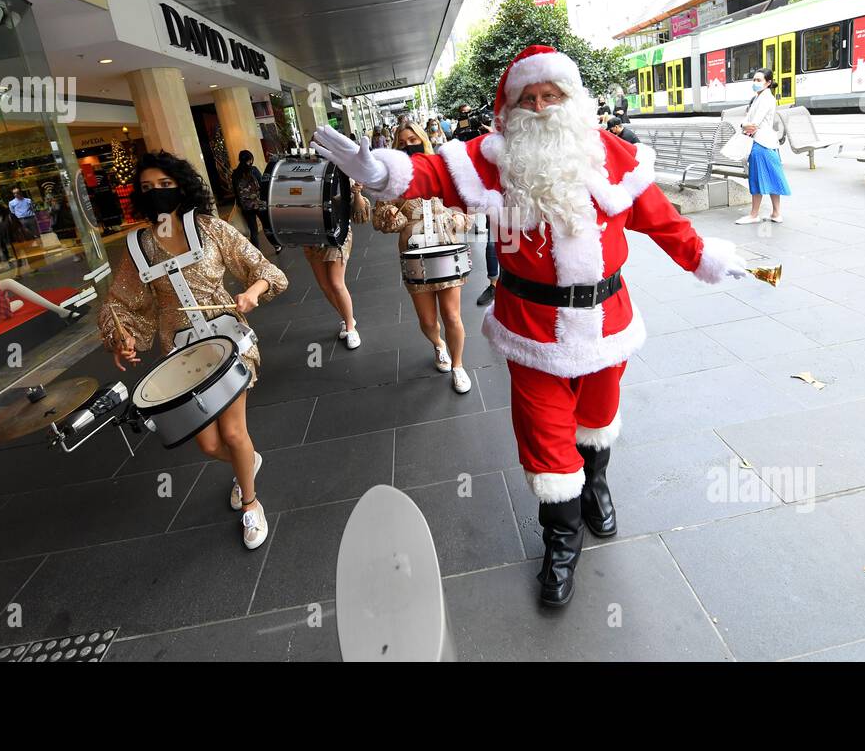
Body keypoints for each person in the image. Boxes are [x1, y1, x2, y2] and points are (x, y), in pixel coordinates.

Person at [312, 45, 747, 608]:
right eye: (529, 98)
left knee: (597, 416)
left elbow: (660, 218)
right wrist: (378, 171)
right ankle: (561, 543)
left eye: (551, 95)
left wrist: (701, 257)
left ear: (572, 99)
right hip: (533, 329)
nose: (540, 108)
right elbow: (430, 170)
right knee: (544, 436)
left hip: (607, 320)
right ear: (511, 108)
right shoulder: (491, 158)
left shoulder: (611, 154)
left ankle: (597, 485)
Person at [99, 151, 288, 550]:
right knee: (207, 443)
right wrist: (122, 336)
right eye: (148, 188)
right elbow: (120, 303)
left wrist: (253, 292)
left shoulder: (211, 229)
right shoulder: (138, 247)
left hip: (228, 342)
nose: (157, 194)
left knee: (235, 432)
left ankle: (251, 503)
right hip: (180, 353)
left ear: (182, 187)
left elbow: (267, 270)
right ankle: (247, 464)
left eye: (164, 186)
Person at [373, 123, 473, 393]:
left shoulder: (443, 169)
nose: (408, 145)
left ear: (424, 139)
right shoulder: (393, 179)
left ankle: (458, 366)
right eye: (402, 142)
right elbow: (380, 222)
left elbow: (468, 209)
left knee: (452, 315)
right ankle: (439, 345)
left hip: (446, 250)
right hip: (414, 256)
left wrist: (460, 218)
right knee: (428, 321)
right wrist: (391, 218)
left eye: (413, 139)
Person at [303, 176, 369, 350]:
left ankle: (350, 327)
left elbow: (359, 214)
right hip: (311, 233)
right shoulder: (309, 170)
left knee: (336, 283)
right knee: (325, 285)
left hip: (337, 231)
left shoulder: (342, 171)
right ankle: (347, 317)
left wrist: (357, 193)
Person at [736, 67, 790, 224]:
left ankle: (754, 215)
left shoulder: (765, 99)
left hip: (760, 143)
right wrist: (745, 124)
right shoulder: (761, 97)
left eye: (758, 80)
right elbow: (749, 123)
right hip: (769, 143)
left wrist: (743, 124)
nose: (755, 82)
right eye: (754, 79)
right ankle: (776, 213)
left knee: (756, 179)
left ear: (768, 82)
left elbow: (752, 124)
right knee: (773, 177)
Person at [231, 149, 276, 252]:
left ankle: (257, 254)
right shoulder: (253, 170)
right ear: (250, 159)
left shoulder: (235, 174)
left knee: (253, 231)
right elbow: (262, 184)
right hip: (258, 203)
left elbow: (236, 192)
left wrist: (240, 205)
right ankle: (276, 245)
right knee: (267, 226)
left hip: (246, 207)